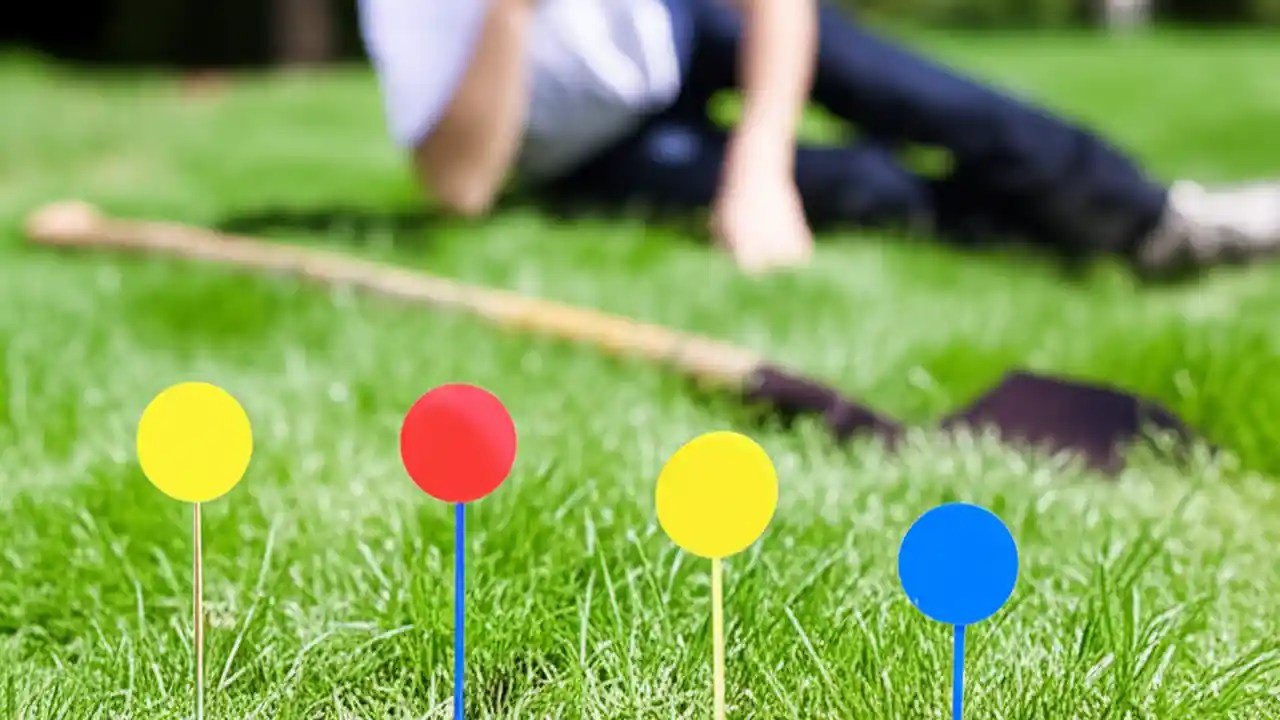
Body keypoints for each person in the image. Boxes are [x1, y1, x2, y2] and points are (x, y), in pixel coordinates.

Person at [356, 0, 1280, 277]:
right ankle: (1053, 233)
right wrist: (506, 16)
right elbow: (461, 188)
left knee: (893, 82)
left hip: (681, 35)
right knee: (858, 189)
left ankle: (1156, 219)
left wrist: (759, 164)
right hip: (583, 150)